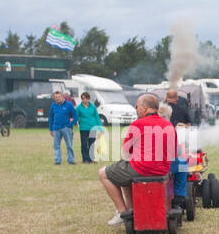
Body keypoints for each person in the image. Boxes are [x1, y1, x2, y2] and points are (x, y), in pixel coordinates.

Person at [99, 93, 177, 226]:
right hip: (162, 171)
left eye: (137, 106)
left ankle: (122, 212)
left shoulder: (138, 124)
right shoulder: (169, 125)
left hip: (142, 169)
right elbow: (173, 154)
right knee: (124, 171)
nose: (136, 109)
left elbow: (126, 153)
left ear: (144, 108)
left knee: (103, 173)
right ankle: (132, 210)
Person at [48, 90, 78, 164]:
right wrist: (51, 129)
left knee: (69, 145)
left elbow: (75, 116)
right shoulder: (53, 105)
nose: (57, 98)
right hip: (56, 128)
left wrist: (70, 125)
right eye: (55, 97)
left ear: (62, 96)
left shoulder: (69, 104)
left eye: (58, 97)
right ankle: (57, 160)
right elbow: (50, 117)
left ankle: (71, 160)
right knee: (56, 146)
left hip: (66, 128)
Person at [76, 92, 103, 163]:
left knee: (92, 144)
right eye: (83, 98)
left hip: (92, 128)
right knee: (84, 144)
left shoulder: (93, 107)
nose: (84, 100)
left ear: (88, 98)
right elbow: (76, 117)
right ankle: (85, 159)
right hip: (83, 128)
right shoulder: (78, 107)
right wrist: (77, 122)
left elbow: (97, 117)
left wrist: (100, 128)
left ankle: (92, 158)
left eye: (85, 98)